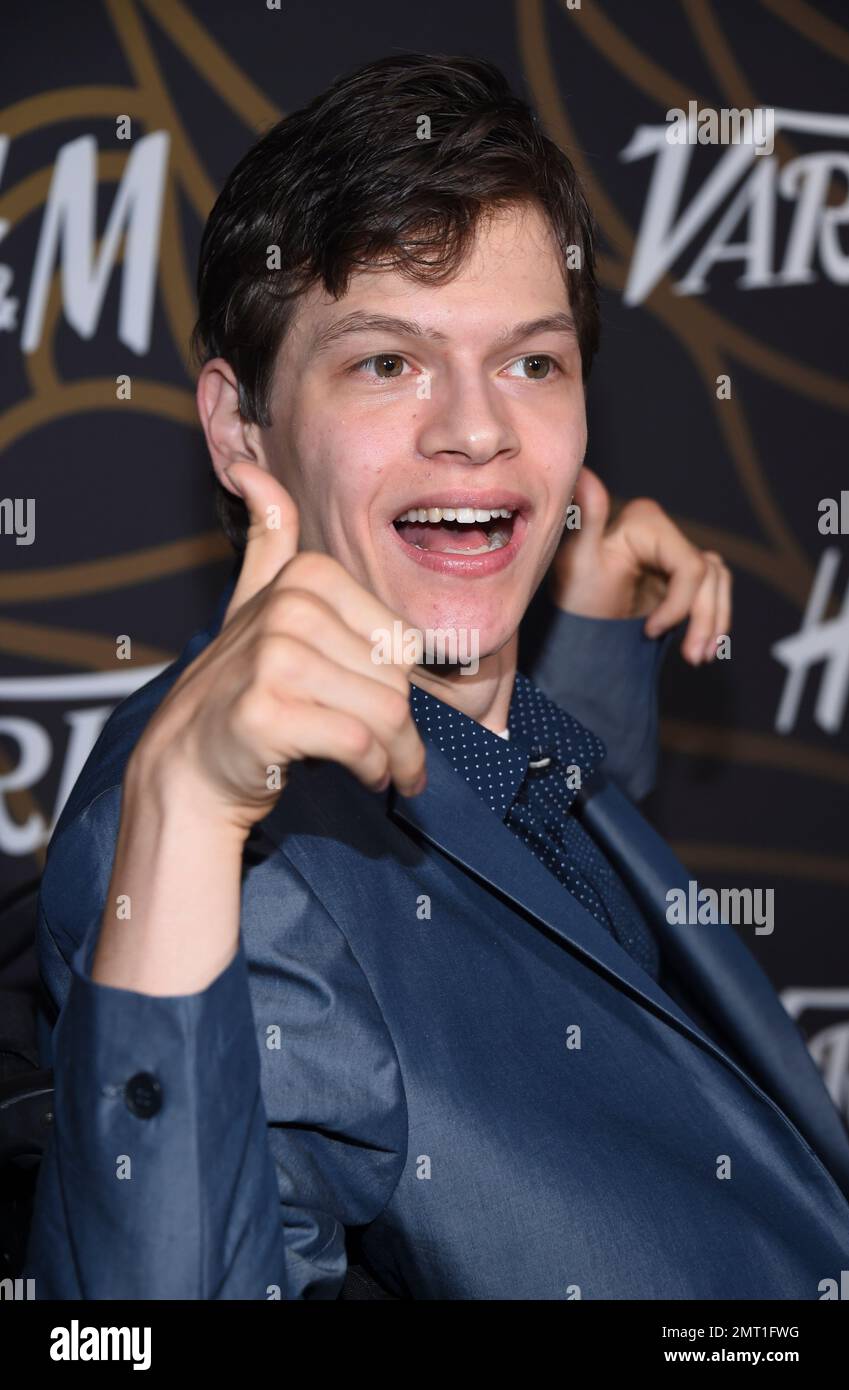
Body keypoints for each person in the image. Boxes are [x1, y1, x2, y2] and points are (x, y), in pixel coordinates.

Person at [25, 53, 849, 1301]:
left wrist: (591, 631)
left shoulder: (475, 715)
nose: (478, 429)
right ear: (241, 427)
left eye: (532, 362)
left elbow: (517, 893)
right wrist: (182, 820)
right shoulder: (232, 870)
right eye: (386, 362)